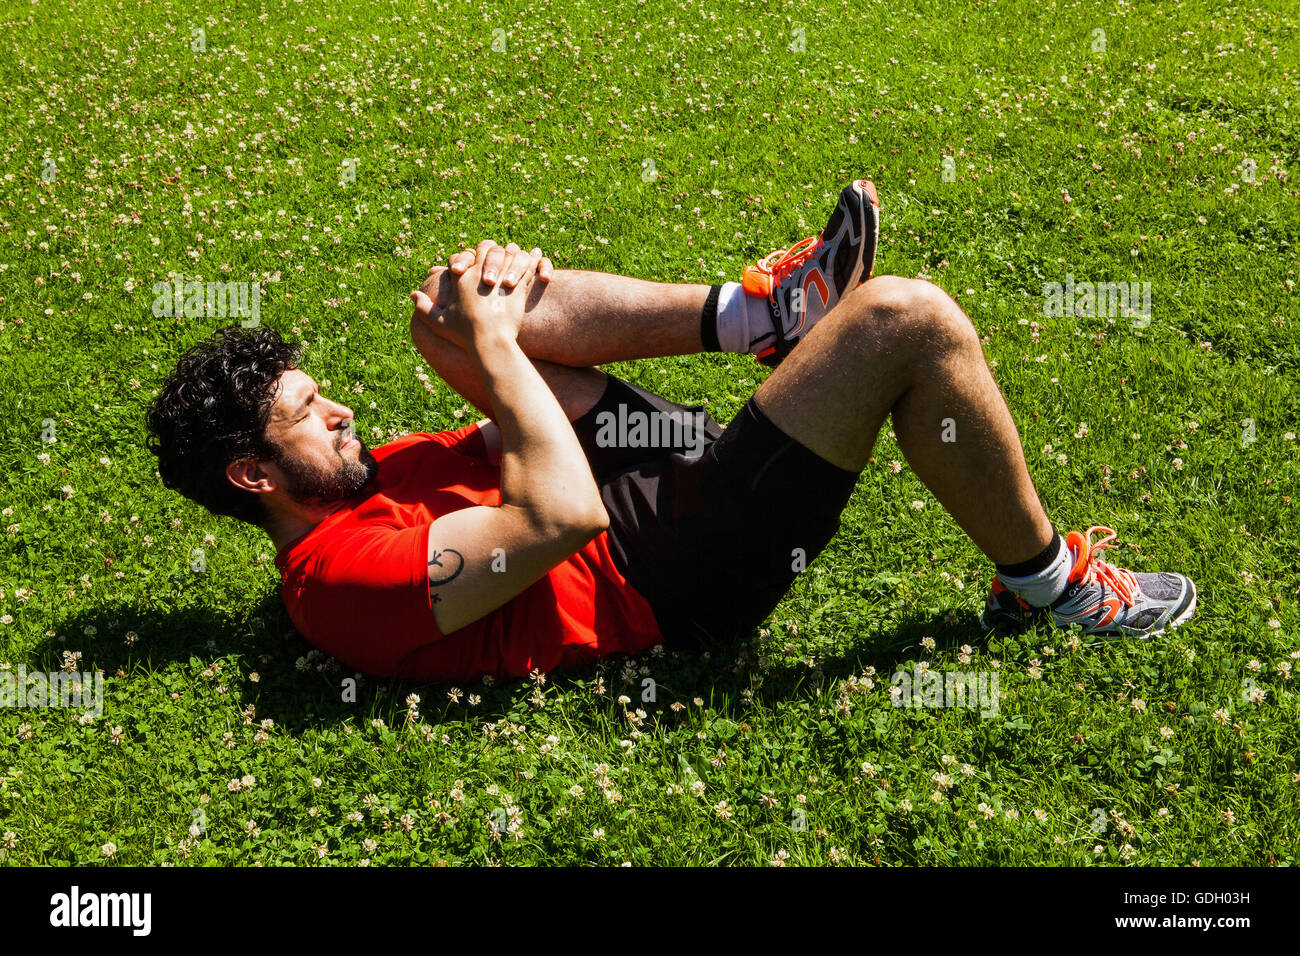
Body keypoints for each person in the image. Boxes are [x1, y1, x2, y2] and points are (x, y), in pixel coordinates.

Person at [145, 181, 1196, 683]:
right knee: (906, 320)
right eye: (307, 416)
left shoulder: (374, 476)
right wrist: (502, 352)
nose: (341, 412)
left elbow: (520, 431)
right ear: (252, 473)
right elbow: (560, 510)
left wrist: (478, 322)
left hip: (635, 488)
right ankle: (1051, 584)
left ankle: (759, 315)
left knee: (443, 304)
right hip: (665, 572)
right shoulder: (339, 581)